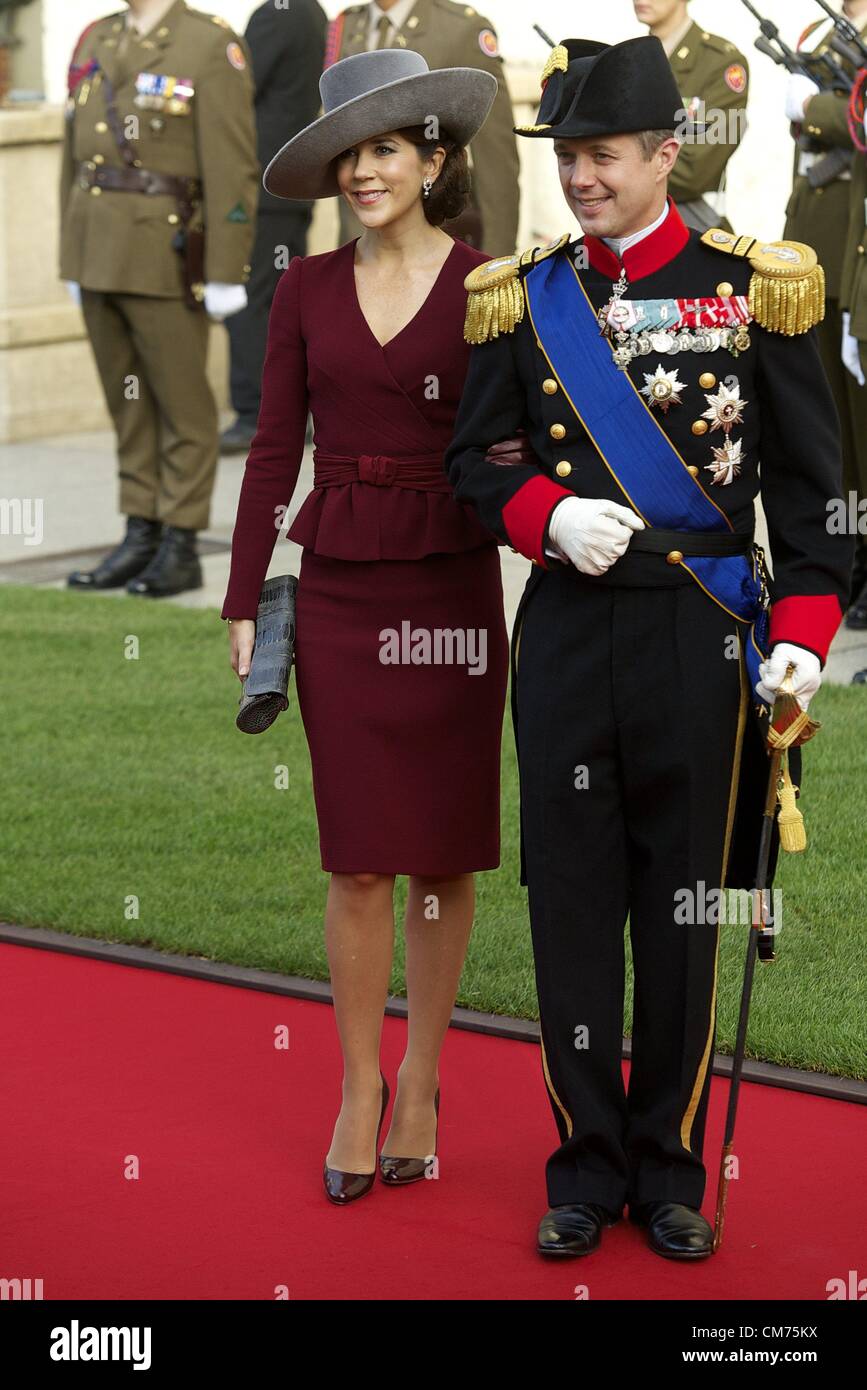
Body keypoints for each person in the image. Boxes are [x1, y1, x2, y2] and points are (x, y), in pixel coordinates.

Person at [446, 36, 851, 1260]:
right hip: (570, 628)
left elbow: (815, 492)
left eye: (603, 157)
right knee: (570, 904)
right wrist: (544, 514)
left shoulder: (753, 284)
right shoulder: (526, 292)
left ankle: (670, 1166)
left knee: (685, 906)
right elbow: (476, 460)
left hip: (700, 630)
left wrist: (805, 639)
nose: (579, 179)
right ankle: (584, 1163)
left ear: (667, 155)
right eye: (567, 157)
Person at [222, 49, 512, 1204]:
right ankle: (356, 1085)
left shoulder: (493, 285)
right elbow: (270, 451)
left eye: (387, 148)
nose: (365, 173)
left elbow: (517, 452)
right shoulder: (302, 290)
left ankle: (426, 1082)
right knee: (355, 861)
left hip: (451, 590)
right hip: (339, 585)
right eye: (350, 154)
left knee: (441, 851)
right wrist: (244, 596)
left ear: (433, 158)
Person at [60, 0, 259, 597]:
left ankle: (180, 540)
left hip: (164, 254)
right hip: (95, 247)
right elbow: (71, 157)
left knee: (182, 406)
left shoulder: (207, 44)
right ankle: (139, 530)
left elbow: (233, 165)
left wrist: (227, 267)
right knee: (127, 403)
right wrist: (68, 251)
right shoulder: (95, 37)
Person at [785, 0, 867, 627]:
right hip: (819, 249)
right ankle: (847, 551)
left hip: (854, 252)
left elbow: (856, 121)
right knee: (832, 426)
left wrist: (816, 109)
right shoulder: (821, 36)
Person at [325, 0, 519, 256]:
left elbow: (497, 164)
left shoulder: (461, 29)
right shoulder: (345, 25)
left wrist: (499, 267)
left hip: (434, 255)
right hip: (359, 254)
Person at [220, 0, 328, 455]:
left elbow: (235, 89)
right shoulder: (314, 12)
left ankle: (254, 411)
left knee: (249, 298)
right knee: (281, 302)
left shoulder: (275, 14)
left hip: (260, 186)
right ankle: (286, 409)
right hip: (291, 180)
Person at [634, 0, 748, 233]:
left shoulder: (721, 62)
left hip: (693, 229)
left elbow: (695, 169)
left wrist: (620, 168)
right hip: (631, 231)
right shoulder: (628, 61)